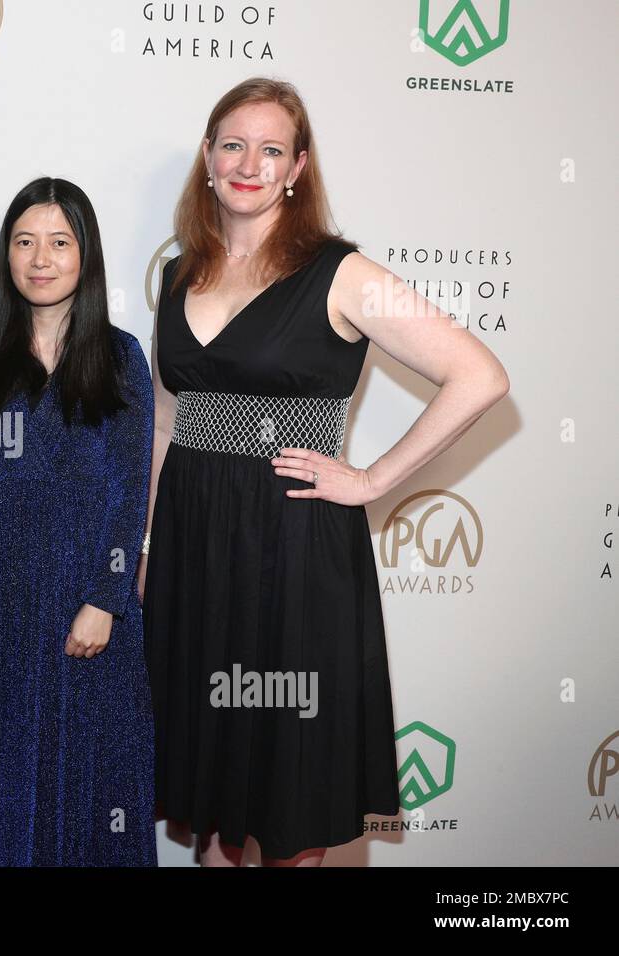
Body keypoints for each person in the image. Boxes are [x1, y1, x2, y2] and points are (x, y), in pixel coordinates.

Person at [141, 78, 510, 866]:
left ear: (297, 168)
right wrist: (144, 543)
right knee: (216, 804)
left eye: (271, 149)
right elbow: (167, 418)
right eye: (232, 144)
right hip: (195, 546)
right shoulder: (180, 272)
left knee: (289, 796)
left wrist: (372, 479)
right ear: (207, 159)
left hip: (294, 545)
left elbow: (479, 375)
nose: (249, 163)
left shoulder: (342, 273)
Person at [0, 178, 157, 866]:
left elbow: (129, 491)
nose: (40, 258)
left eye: (59, 242)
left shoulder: (121, 357)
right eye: (24, 242)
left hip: (87, 609)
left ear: (87, 256)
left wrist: (105, 601)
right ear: (5, 256)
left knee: (86, 784)